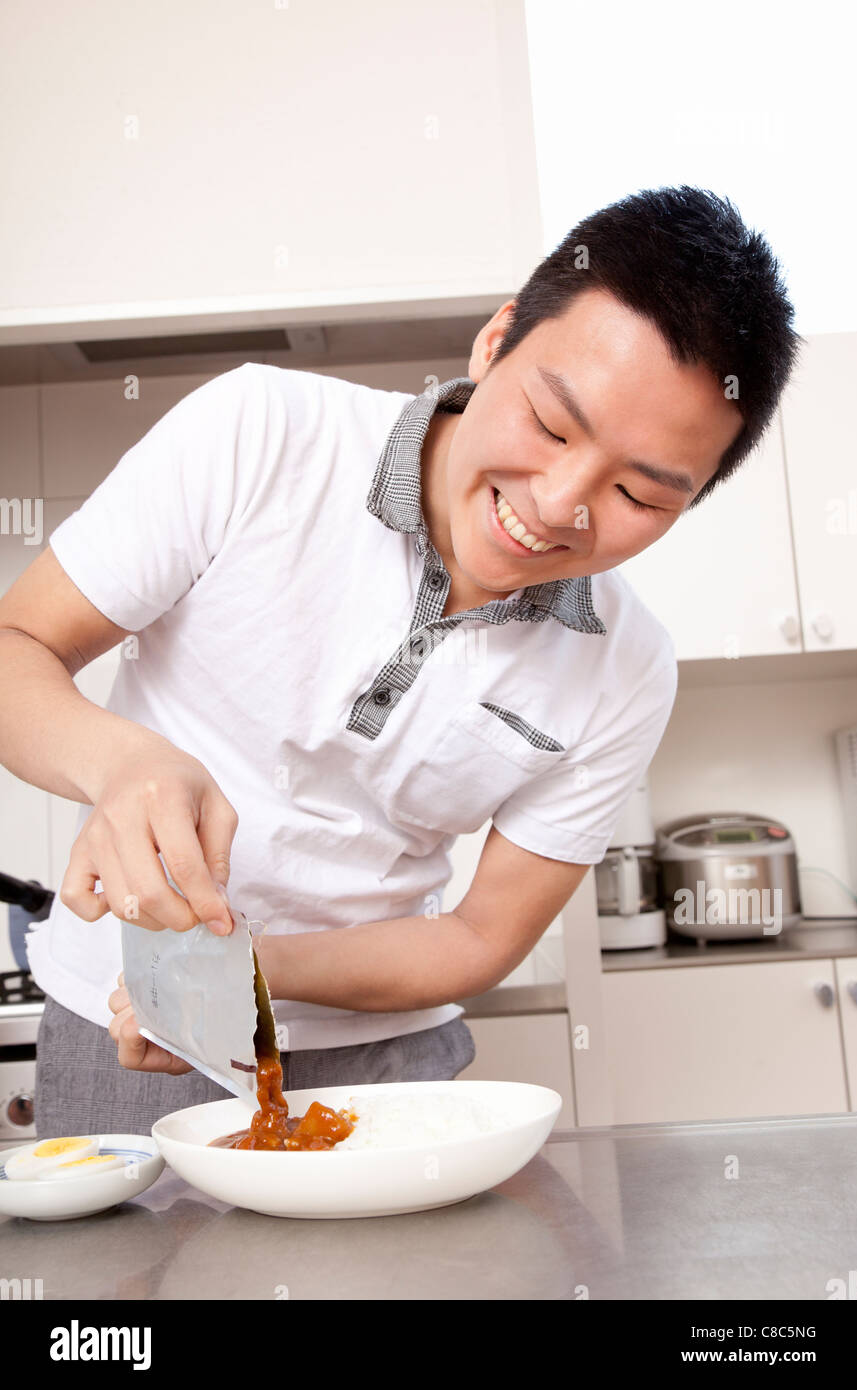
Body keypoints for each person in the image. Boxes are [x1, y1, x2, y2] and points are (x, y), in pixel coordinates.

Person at [0, 186, 799, 1136]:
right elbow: (19, 647)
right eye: (551, 426)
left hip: (390, 1063)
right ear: (497, 341)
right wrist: (121, 761)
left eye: (636, 492)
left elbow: (478, 935)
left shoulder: (627, 668)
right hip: (120, 1026)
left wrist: (247, 971)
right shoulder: (260, 432)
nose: (556, 507)